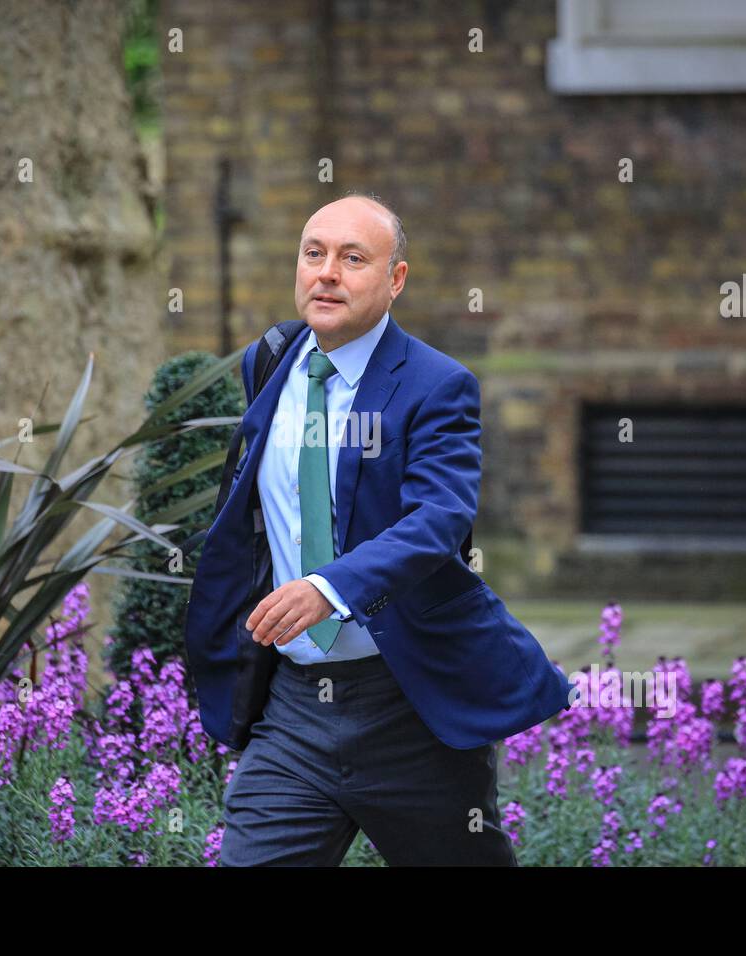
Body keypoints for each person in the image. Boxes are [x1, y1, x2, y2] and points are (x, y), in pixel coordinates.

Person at [183, 192, 575, 866]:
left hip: (408, 707)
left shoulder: (436, 386)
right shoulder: (271, 361)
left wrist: (329, 588)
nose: (327, 272)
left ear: (395, 280)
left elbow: (438, 519)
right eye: (315, 254)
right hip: (294, 709)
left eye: (352, 258)